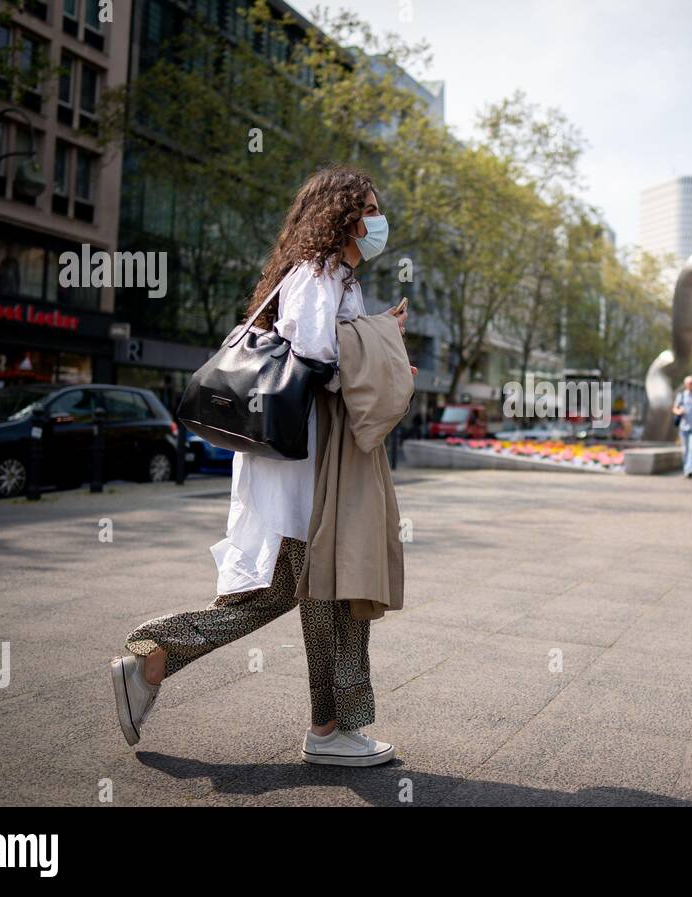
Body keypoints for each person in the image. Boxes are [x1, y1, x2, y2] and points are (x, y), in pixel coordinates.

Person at [109, 165, 410, 767]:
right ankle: (331, 731)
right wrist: (382, 337)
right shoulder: (317, 273)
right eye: (370, 208)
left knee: (275, 594)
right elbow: (318, 352)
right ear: (343, 215)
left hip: (308, 464)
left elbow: (333, 351)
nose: (379, 221)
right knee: (331, 588)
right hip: (304, 468)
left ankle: (152, 655)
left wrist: (377, 336)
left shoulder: (336, 278)